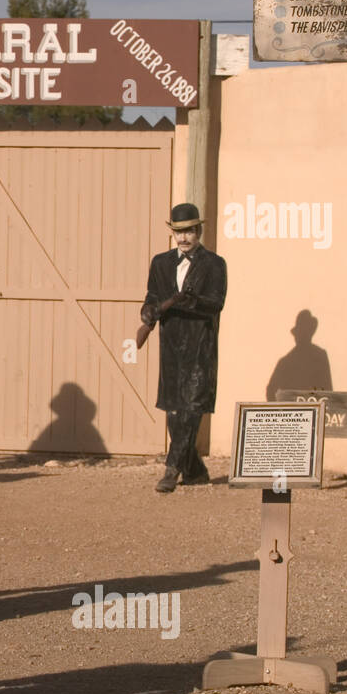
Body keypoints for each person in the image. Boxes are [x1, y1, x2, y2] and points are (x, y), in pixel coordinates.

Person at [138, 202, 227, 493]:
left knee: (192, 406)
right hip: (171, 346)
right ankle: (195, 470)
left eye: (189, 231)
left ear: (198, 230)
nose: (184, 238)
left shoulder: (215, 264)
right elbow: (151, 296)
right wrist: (148, 313)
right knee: (173, 409)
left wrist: (185, 300)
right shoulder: (160, 263)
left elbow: (216, 303)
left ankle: (171, 469)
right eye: (179, 232)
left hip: (201, 344)